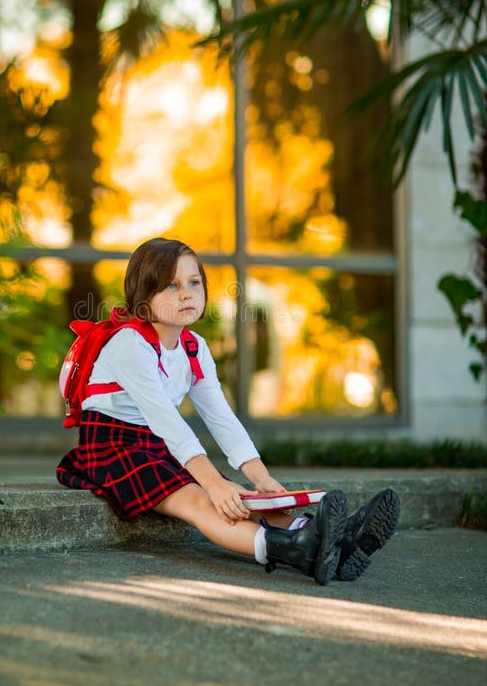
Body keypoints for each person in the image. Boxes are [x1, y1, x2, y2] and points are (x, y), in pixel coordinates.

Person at [56, 237, 400, 585]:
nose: (187, 294)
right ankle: (296, 549)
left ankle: (335, 541)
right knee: (201, 501)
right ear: (143, 299)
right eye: (172, 286)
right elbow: (168, 422)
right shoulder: (130, 345)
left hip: (157, 445)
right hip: (113, 448)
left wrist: (260, 478)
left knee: (242, 498)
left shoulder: (194, 347)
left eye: (194, 282)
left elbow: (221, 418)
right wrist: (214, 483)